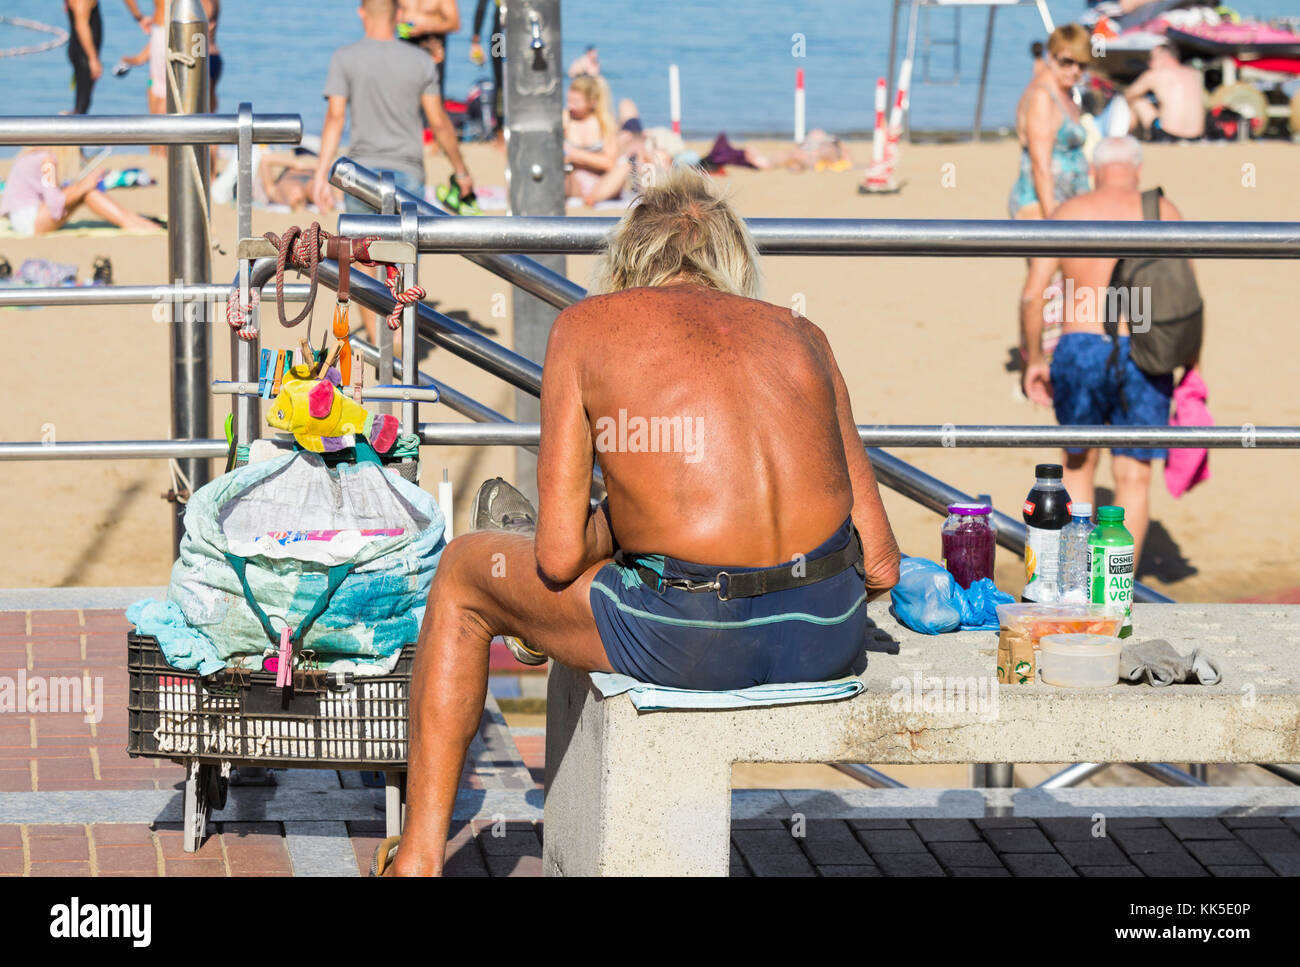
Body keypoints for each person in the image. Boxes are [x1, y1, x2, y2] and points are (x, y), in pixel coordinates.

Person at [378, 166, 902, 876]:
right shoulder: (803, 333)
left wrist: (622, 524)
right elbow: (880, 566)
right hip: (826, 635)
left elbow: (558, 557)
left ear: (628, 261)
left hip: (690, 637)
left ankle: (416, 858)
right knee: (644, 558)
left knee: (466, 572)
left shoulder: (587, 327)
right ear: (732, 260)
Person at [1019, 137, 1190, 566]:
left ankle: (1077, 578)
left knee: (1076, 465)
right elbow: (1186, 300)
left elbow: (1031, 296)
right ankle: (1118, 587)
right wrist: (1193, 364)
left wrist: (1036, 358)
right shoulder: (1162, 211)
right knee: (1133, 474)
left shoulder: (1070, 211)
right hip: (1144, 345)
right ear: (1138, 168)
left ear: (1094, 170)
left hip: (1079, 343)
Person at [312, 0, 474, 344]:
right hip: (407, 174)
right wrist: (461, 170)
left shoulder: (345, 57)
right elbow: (439, 122)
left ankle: (378, 339)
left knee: (361, 258)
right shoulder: (421, 61)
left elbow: (335, 120)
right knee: (402, 258)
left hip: (360, 175)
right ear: (399, 16)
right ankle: (398, 332)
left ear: (361, 13)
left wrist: (320, 174)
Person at [1008, 24, 1092, 219]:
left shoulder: (1066, 90)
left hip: (1069, 201)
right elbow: (1040, 166)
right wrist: (1052, 224)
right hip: (1042, 205)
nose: (1075, 71)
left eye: (1082, 65)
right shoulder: (1043, 96)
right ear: (1050, 56)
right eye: (1067, 62)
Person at [0, 146, 158, 236]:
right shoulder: (47, 160)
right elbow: (55, 205)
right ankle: (136, 223)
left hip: (21, 218)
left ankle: (135, 222)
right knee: (87, 191)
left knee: (86, 190)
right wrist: (84, 185)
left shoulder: (30, 154)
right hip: (29, 222)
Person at [66, 0, 151, 115]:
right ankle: (74, 126)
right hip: (84, 53)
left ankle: (75, 122)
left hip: (82, 50)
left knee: (83, 100)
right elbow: (81, 25)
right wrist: (93, 59)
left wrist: (139, 17)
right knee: (82, 103)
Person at [1125, 43, 1205, 141]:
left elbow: (1128, 95)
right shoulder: (1194, 74)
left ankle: (1125, 139)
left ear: (1164, 57)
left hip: (1167, 136)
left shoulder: (1155, 74)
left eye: (1152, 58)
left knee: (1137, 102)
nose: (1149, 63)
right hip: (1196, 137)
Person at [563, 74, 619, 203]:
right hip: (573, 178)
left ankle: (594, 197)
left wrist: (575, 154)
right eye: (569, 101)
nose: (570, 106)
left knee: (624, 167)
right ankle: (591, 198)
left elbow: (609, 163)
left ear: (592, 102)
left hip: (600, 181)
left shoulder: (604, 123)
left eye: (576, 102)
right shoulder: (565, 119)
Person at [397, 0, 460, 102]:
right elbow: (387, 12)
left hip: (432, 47)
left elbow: (455, 24)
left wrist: (425, 28)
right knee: (404, 92)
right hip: (405, 44)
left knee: (432, 93)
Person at [470, 0, 505, 141]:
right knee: (500, 82)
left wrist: (475, 42)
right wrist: (475, 42)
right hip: (498, 37)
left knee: (502, 82)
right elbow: (481, 7)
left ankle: (501, 131)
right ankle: (500, 130)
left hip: (502, 36)